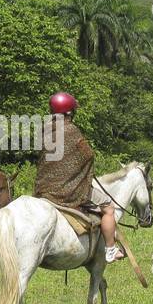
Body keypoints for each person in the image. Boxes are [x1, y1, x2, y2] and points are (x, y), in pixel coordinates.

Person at [33, 91, 124, 263]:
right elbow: (88, 155)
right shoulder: (71, 130)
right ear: (69, 112)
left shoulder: (44, 128)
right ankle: (110, 250)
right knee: (108, 208)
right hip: (68, 189)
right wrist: (81, 168)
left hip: (44, 187)